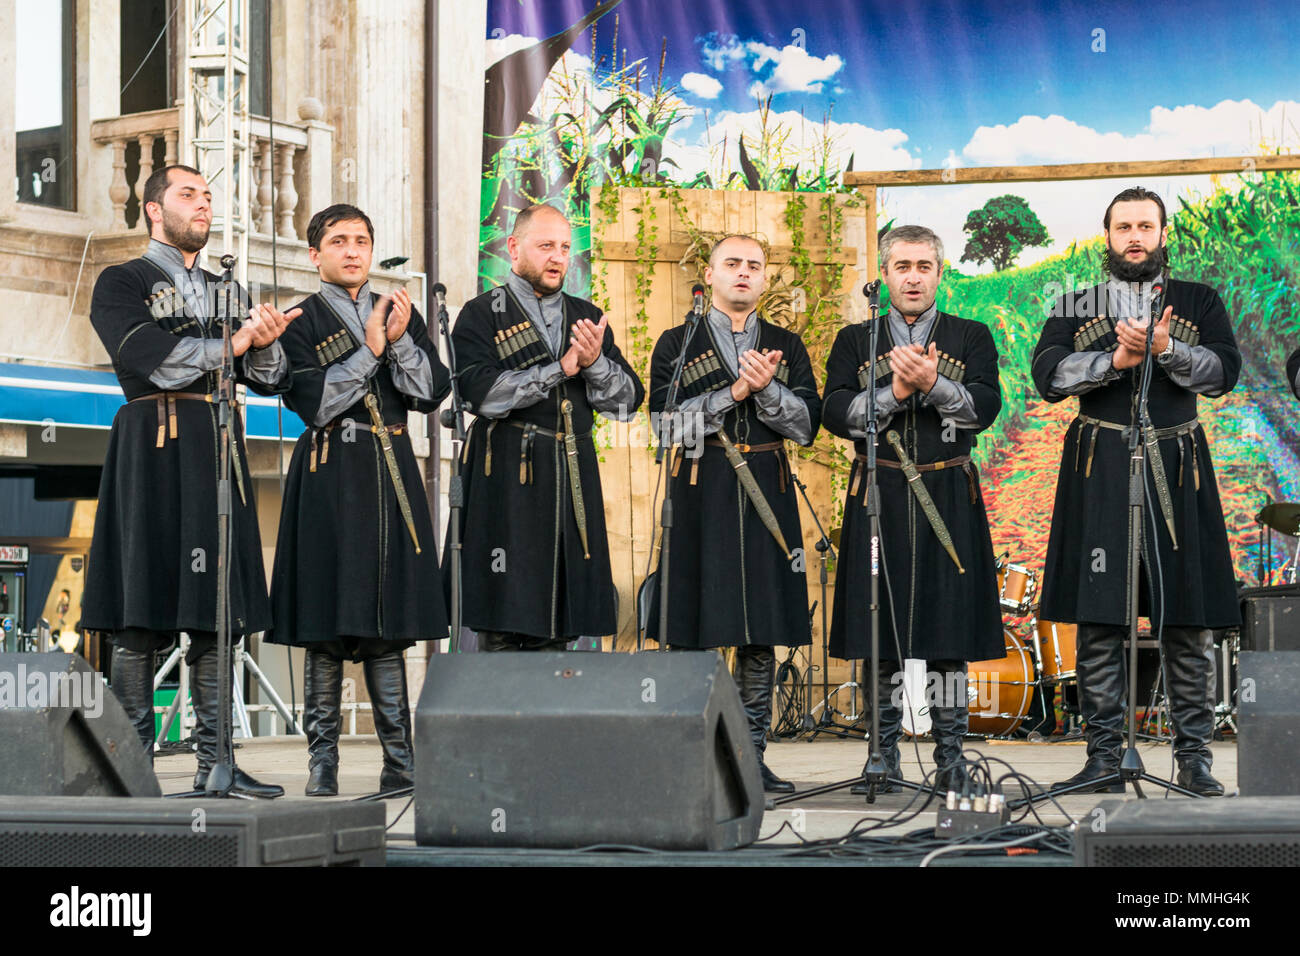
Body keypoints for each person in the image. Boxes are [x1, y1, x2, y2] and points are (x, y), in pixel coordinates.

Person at [83, 164, 297, 797]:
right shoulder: (121, 281)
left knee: (216, 614)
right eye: (188, 195)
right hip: (151, 446)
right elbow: (148, 358)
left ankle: (217, 764)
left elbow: (270, 378)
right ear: (154, 209)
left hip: (216, 446)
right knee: (139, 612)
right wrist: (235, 344)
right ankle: (132, 769)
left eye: (208, 196)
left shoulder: (227, 288)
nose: (203, 206)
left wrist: (265, 341)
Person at [1032, 186, 1240, 796]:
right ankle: (1103, 758)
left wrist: (1168, 349)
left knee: (1186, 619)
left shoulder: (1198, 299)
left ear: (1162, 234)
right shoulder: (1076, 304)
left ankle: (1194, 760)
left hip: (1179, 463)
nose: (1135, 237)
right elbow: (1048, 375)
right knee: (1099, 619)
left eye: (1145, 226)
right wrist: (1115, 362)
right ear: (1107, 237)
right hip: (1101, 462)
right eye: (1123, 226)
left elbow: (1225, 371)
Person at [268, 204, 451, 796]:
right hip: (327, 474)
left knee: (388, 625)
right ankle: (323, 769)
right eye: (338, 241)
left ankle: (401, 765)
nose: (352, 250)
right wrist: (369, 351)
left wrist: (396, 342)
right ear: (315, 253)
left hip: (390, 468)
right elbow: (315, 403)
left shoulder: (399, 310)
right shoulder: (297, 318)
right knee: (324, 624)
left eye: (362, 240)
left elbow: (429, 393)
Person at [823, 225, 1003, 793]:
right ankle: (883, 757)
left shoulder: (971, 336)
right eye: (902, 266)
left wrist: (935, 385)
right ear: (885, 274)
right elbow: (833, 412)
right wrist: (895, 394)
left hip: (949, 493)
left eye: (924, 266)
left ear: (939, 274)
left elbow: (985, 407)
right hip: (880, 491)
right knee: (883, 631)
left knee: (948, 634)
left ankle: (951, 760)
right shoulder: (855, 341)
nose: (913, 276)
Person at [645, 234, 821, 794]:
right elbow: (665, 426)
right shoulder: (678, 342)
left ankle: (750, 756)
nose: (743, 273)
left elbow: (806, 426)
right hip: (701, 487)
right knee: (696, 625)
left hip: (768, 485)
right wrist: (737, 389)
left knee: (760, 629)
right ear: (711, 274)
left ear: (765, 278)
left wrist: (768, 391)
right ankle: (695, 758)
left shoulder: (786, 344)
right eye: (732, 264)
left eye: (754, 265)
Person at [448, 204, 644, 650]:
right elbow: (483, 394)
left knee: (561, 616)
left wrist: (594, 365)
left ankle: (550, 716)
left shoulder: (587, 316)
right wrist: (559, 369)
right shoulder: (482, 314)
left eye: (563, 248)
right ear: (514, 249)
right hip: (504, 478)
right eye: (545, 246)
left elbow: (626, 402)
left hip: (569, 470)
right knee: (502, 613)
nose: (557, 257)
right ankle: (503, 718)